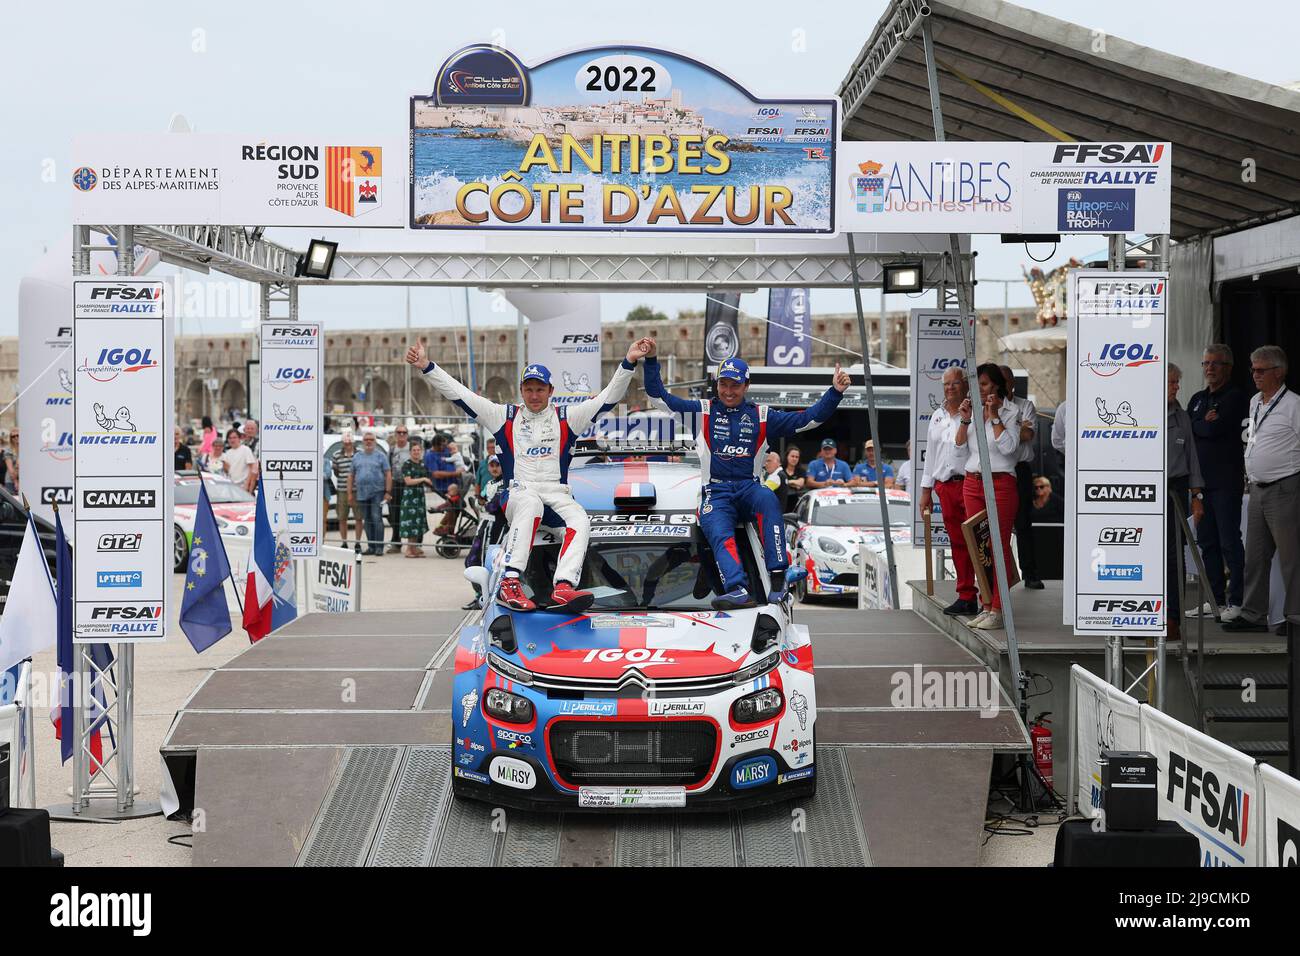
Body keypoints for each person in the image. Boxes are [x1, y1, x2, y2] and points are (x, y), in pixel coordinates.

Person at [406, 336, 649, 612]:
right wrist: (427, 366)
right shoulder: (503, 416)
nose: (534, 395)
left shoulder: (568, 416)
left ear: (550, 390)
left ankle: (564, 586)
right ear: (521, 390)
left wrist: (629, 361)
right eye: (529, 389)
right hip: (520, 495)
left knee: (580, 519)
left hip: (556, 496)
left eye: (540, 389)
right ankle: (510, 582)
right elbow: (460, 395)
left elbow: (609, 398)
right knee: (530, 502)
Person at [644, 344, 849, 608]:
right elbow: (658, 396)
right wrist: (651, 360)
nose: (728, 391)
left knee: (767, 498)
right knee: (717, 529)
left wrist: (835, 392)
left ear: (746, 385)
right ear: (717, 385)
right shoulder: (701, 411)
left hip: (749, 488)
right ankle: (737, 588)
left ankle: (778, 578)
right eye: (724, 385)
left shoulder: (763, 416)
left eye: (735, 386)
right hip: (716, 492)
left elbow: (808, 418)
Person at [1223, 346, 1300, 633]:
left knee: (1291, 557)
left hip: (1285, 487)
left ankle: (1295, 617)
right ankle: (1254, 613)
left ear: (1278, 372)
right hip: (1257, 489)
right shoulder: (1256, 400)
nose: (1254, 375)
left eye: (1260, 370)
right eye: (1253, 369)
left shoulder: (1294, 405)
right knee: (1254, 556)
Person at [1187, 344, 1250, 621]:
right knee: (1207, 543)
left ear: (1228, 367)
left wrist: (1200, 425)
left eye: (1215, 363)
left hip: (1226, 481)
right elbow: (1190, 430)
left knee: (1229, 542)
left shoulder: (1236, 398)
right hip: (1200, 483)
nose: (1209, 368)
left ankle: (1237, 601)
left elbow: (1214, 429)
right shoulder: (1198, 399)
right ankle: (1214, 600)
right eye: (1206, 364)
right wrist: (1202, 423)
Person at [956, 364, 1020, 630]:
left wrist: (995, 417)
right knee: (977, 545)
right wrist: (965, 419)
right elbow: (959, 445)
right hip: (972, 482)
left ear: (996, 385)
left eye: (983, 384)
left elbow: (1009, 448)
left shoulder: (1010, 410)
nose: (978, 389)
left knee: (998, 546)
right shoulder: (972, 409)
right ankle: (985, 605)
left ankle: (998, 607)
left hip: (1001, 483)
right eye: (975, 384)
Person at [921, 367, 976, 616]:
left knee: (977, 541)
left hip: (969, 484)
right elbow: (930, 456)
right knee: (957, 542)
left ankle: (989, 595)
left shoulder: (973, 413)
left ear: (964, 385)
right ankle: (966, 595)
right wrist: (926, 491)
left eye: (955, 383)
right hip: (945, 486)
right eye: (946, 384)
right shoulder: (937, 415)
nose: (950, 388)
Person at [1166, 363, 1206, 640]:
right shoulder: (1142, 413)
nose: (1177, 387)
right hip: (1145, 491)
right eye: (1172, 382)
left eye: (1177, 382)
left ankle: (1173, 617)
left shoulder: (1181, 415)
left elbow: (1192, 458)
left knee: (1173, 556)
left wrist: (1197, 496)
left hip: (1176, 490)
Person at [1001, 364, 1043, 590]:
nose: (1002, 385)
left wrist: (1010, 427)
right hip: (999, 469)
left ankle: (1030, 573)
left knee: (1024, 523)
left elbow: (1028, 434)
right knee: (998, 527)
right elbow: (1020, 431)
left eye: (1006, 381)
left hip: (1020, 469)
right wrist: (1017, 425)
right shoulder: (991, 406)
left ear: (1012, 383)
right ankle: (1003, 574)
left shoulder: (1025, 405)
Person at [349, 430, 392, 556]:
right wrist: (350, 493)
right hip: (361, 493)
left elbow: (388, 474)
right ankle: (371, 547)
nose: (368, 442)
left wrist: (388, 491)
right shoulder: (357, 456)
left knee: (376, 518)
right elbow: (351, 475)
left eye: (371, 439)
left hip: (377, 492)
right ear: (363, 442)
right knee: (367, 520)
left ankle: (379, 547)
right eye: (366, 439)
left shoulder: (381, 456)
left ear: (375, 442)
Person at [399, 439, 431, 558]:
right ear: (410, 452)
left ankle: (414, 548)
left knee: (418, 522)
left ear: (421, 451)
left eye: (418, 450)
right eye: (414, 450)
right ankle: (408, 549)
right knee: (410, 522)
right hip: (410, 496)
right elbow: (408, 481)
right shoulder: (407, 464)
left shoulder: (422, 463)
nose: (416, 452)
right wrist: (422, 479)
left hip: (420, 496)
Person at [386, 425, 412, 554]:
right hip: (396, 484)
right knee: (394, 514)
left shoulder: (412, 448)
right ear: (395, 434)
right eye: (399, 432)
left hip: (410, 484)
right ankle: (396, 543)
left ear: (407, 434)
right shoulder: (391, 450)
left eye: (404, 432)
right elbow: (388, 469)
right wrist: (388, 489)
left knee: (411, 513)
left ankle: (414, 544)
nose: (401, 434)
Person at [332, 434, 357, 548]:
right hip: (342, 490)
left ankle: (358, 542)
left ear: (353, 442)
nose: (347, 445)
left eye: (349, 443)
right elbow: (336, 472)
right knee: (342, 517)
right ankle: (344, 542)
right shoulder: (336, 455)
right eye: (345, 443)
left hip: (357, 490)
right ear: (343, 443)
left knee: (359, 517)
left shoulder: (359, 454)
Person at [423, 435, 461, 506]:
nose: (445, 447)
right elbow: (436, 474)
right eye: (443, 446)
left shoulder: (445, 449)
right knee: (455, 506)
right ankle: (443, 506)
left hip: (455, 481)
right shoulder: (429, 456)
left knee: (456, 506)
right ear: (437, 446)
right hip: (443, 486)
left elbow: (455, 454)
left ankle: (445, 505)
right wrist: (455, 474)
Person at [782, 445, 807, 513]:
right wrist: (793, 483)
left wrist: (786, 482)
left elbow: (800, 483)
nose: (794, 459)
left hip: (796, 504)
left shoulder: (801, 470)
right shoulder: (780, 469)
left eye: (797, 457)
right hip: (782, 503)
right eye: (792, 456)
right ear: (787, 456)